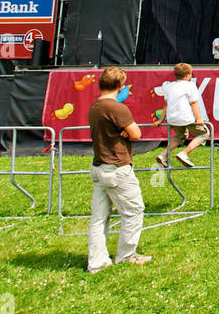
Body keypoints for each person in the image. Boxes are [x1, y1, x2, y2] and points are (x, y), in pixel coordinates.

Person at [87, 67, 151, 273]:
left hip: (99, 167)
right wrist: (127, 132)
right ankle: (125, 255)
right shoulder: (116, 108)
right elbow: (136, 134)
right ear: (120, 86)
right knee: (134, 210)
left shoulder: (95, 106)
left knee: (99, 217)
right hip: (116, 167)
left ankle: (96, 261)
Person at [155, 63, 208, 169]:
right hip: (185, 117)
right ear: (188, 75)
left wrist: (160, 120)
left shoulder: (169, 86)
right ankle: (184, 153)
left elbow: (165, 104)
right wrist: (198, 118)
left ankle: (163, 155)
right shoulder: (190, 85)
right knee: (204, 133)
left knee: (180, 135)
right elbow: (194, 103)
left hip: (172, 118)